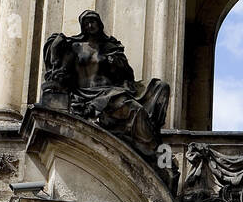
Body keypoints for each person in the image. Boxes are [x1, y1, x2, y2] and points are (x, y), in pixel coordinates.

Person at [40, 10, 169, 160]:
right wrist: (56, 46)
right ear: (82, 26)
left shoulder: (110, 47)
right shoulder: (75, 47)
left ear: (99, 23)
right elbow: (62, 72)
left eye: (93, 21)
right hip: (85, 93)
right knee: (134, 109)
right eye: (86, 22)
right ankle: (153, 151)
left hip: (110, 92)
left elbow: (127, 75)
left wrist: (118, 64)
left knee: (149, 98)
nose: (90, 25)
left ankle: (151, 149)